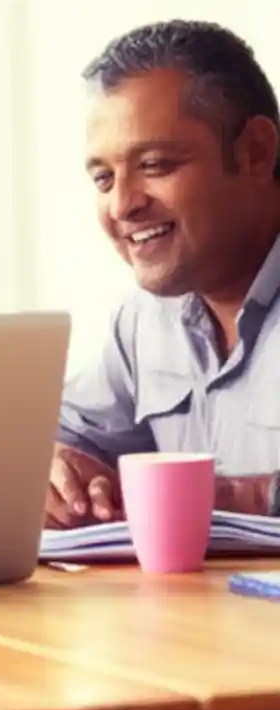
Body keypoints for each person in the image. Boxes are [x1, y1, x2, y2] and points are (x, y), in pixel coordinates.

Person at [46, 20, 280, 528]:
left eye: (154, 165)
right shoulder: (144, 322)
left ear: (257, 153)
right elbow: (58, 439)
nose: (123, 205)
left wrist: (233, 495)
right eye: (104, 178)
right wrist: (55, 468)